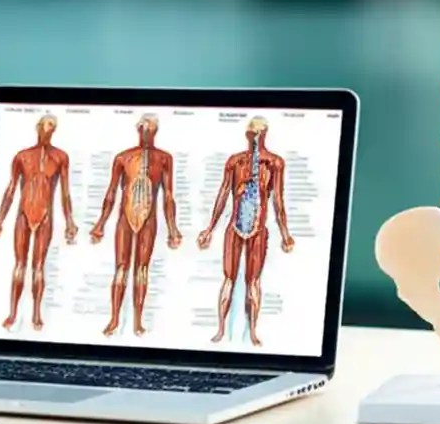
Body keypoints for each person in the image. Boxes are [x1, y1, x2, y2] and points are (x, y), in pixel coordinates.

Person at [196, 117, 295, 346]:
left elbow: (278, 200)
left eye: (257, 134)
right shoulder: (235, 161)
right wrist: (210, 228)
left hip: (258, 229)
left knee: (253, 282)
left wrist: (285, 233)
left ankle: (251, 331)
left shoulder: (274, 163)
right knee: (229, 279)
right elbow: (223, 194)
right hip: (235, 227)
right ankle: (222, 329)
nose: (255, 139)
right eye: (253, 134)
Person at [89, 113, 182, 337]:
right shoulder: (123, 158)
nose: (147, 133)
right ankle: (114, 319)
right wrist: (100, 223)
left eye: (151, 128)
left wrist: (173, 228)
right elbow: (111, 192)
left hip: (149, 218)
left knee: (142, 269)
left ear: (156, 131)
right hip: (125, 218)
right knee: (121, 268)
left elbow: (168, 195)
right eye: (144, 128)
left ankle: (138, 321)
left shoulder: (164, 159)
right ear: (138, 129)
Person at [0, 114, 78, 332]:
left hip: (45, 215)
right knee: (19, 264)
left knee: (38, 266)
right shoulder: (22, 156)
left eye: (53, 127)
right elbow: (11, 189)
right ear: (38, 127)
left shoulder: (60, 157)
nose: (49, 130)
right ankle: (13, 313)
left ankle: (37, 313)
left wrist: (70, 221)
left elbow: (65, 193)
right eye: (47, 125)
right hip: (22, 214)